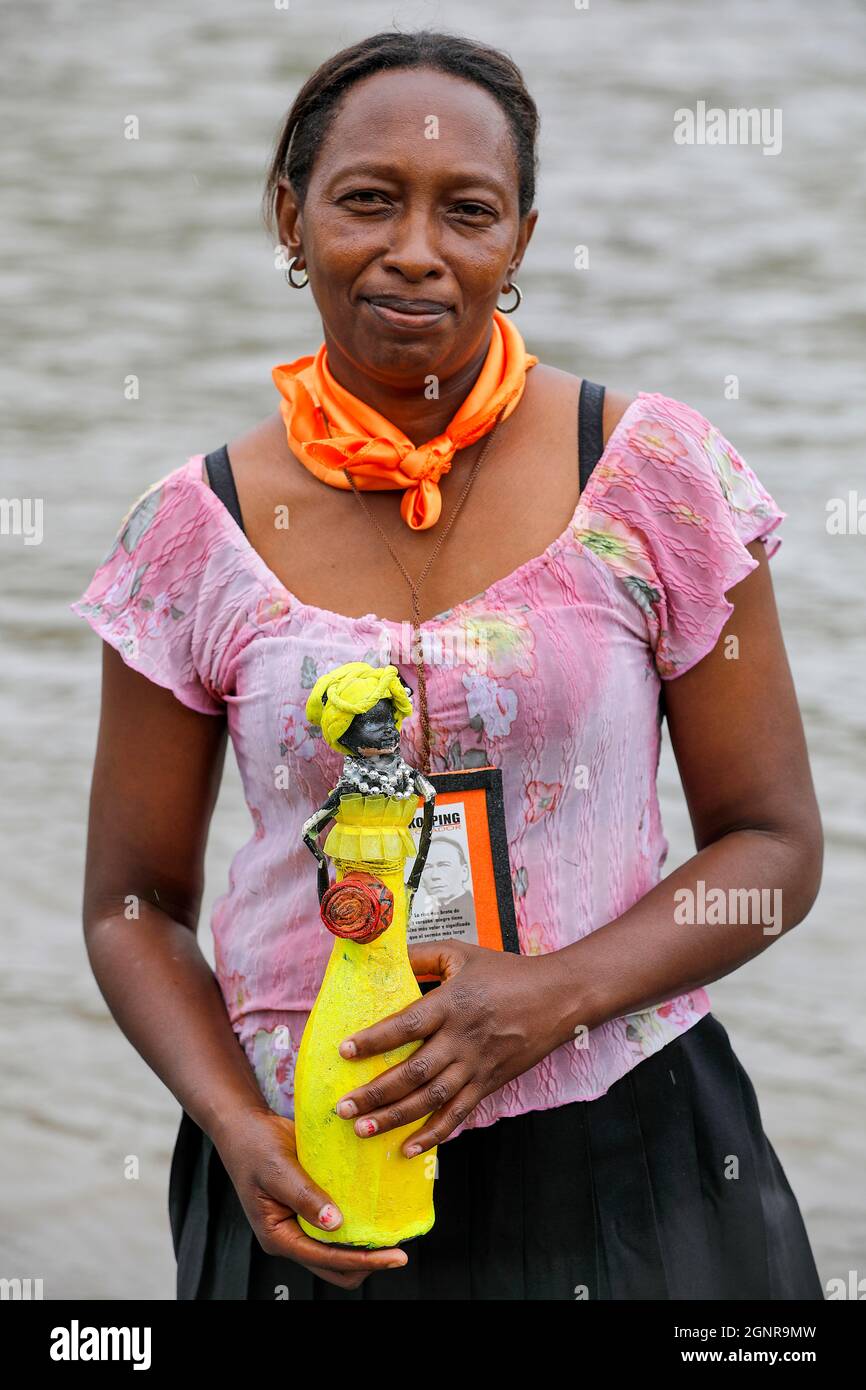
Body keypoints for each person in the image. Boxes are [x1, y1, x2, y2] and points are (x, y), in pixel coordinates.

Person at [71, 30, 825, 1300]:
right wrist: (239, 1129)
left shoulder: (647, 479)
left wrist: (551, 995)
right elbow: (130, 907)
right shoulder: (189, 533)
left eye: (466, 211)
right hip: (313, 1167)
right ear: (289, 218)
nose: (415, 249)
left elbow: (771, 846)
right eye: (368, 199)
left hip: (621, 1146)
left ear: (519, 239)